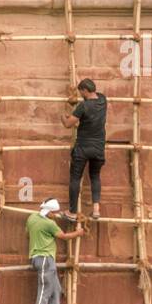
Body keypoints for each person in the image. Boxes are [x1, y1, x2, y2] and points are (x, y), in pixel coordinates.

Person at [26, 198, 84, 304]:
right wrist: (78, 233)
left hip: (41, 258)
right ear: (49, 212)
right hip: (45, 259)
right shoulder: (49, 224)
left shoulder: (32, 218)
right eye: (54, 212)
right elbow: (63, 236)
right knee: (44, 291)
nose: (56, 215)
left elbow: (26, 233)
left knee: (56, 289)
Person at [60, 78, 107, 220]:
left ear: (85, 91)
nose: (80, 95)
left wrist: (63, 116)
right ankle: (96, 210)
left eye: (81, 92)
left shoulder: (83, 106)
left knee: (75, 178)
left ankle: (72, 212)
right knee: (95, 176)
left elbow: (68, 124)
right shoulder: (103, 100)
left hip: (83, 148)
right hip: (99, 147)